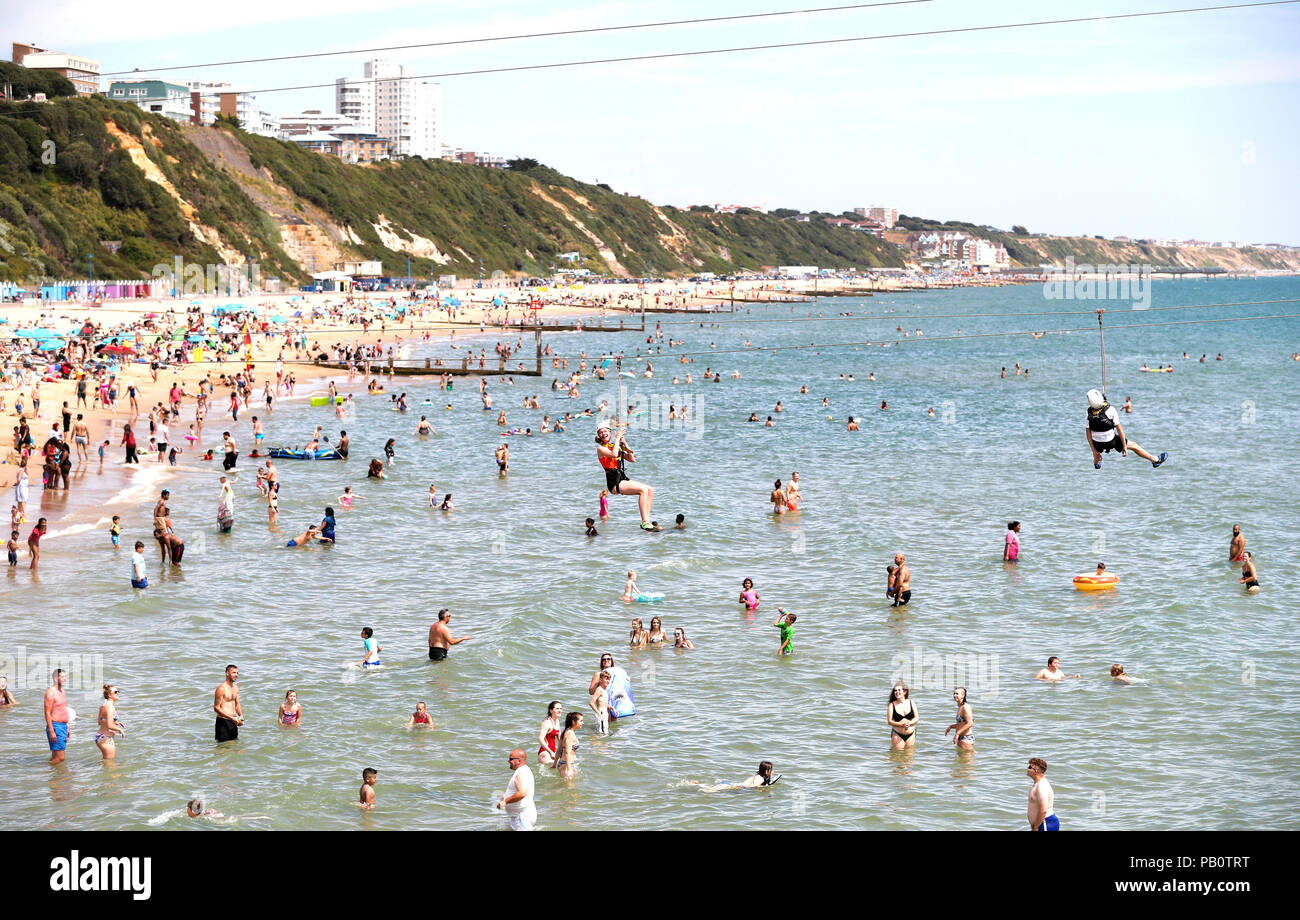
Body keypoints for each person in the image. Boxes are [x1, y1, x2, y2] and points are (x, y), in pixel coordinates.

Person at [1085, 389, 1167, 469]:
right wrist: (1124, 446)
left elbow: (1088, 433)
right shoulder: (1111, 409)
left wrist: (1093, 449)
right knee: (1134, 445)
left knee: (1096, 453)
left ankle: (1097, 463)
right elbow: (1119, 429)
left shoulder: (1088, 412)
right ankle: (1155, 460)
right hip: (1111, 441)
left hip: (1096, 442)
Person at [595, 425, 656, 531]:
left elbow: (632, 459)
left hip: (622, 479)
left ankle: (647, 520)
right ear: (599, 436)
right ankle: (644, 522)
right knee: (642, 490)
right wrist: (618, 438)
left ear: (610, 433)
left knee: (650, 490)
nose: (603, 433)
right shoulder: (601, 449)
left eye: (606, 431)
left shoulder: (615, 446)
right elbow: (613, 455)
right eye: (601, 432)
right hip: (614, 483)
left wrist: (624, 442)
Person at [498, 749, 537, 830]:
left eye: (511, 759)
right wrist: (505, 796)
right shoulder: (524, 770)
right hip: (521, 815)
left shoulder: (521, 774)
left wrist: (505, 801)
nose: (508, 761)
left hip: (521, 817)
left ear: (519, 761)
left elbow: (522, 793)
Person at [691, 761, 779, 792]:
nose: (773, 771)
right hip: (735, 787)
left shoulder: (757, 776)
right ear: (767, 771)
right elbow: (753, 786)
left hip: (731, 784)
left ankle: (695, 784)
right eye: (772, 770)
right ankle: (696, 786)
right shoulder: (760, 779)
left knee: (711, 788)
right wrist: (763, 788)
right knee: (708, 791)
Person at [44, 668, 70, 765]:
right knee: (60, 758)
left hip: (63, 726)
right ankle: (43, 770)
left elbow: (63, 709)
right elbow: (47, 712)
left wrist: (67, 726)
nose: (65, 679)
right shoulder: (50, 692)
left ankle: (55, 777)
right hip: (55, 726)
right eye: (62, 677)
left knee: (56, 756)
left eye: (65, 677)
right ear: (55, 679)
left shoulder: (62, 691)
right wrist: (51, 731)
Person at [95, 684, 125, 760]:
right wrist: (119, 730)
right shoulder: (110, 707)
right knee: (110, 764)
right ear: (109, 695)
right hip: (105, 738)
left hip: (101, 736)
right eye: (115, 692)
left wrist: (115, 722)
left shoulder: (103, 705)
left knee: (107, 763)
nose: (118, 693)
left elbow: (100, 721)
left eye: (118, 691)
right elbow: (109, 725)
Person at [214, 664, 243, 742]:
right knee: (223, 748)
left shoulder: (236, 687)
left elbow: (237, 703)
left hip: (234, 721)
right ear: (227, 673)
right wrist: (231, 718)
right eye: (234, 672)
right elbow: (216, 708)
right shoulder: (221, 688)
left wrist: (241, 717)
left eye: (237, 673)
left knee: (234, 745)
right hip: (223, 722)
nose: (236, 675)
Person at [1027, 758, 1058, 831]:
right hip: (1041, 823)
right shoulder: (1038, 784)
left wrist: (1036, 826)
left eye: (1029, 767)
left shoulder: (1041, 786)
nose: (1027, 769)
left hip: (1045, 823)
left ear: (1036, 771)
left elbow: (1043, 809)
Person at [553, 711, 583, 779]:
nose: (582, 723)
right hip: (566, 765)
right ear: (573, 722)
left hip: (565, 763)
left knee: (567, 786)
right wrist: (569, 769)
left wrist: (555, 764)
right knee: (569, 786)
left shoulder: (566, 732)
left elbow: (558, 750)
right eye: (581, 721)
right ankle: (547, 789)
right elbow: (567, 752)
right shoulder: (569, 734)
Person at [887, 682, 918, 749]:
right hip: (897, 734)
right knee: (898, 756)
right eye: (895, 690)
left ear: (904, 692)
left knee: (909, 758)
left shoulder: (911, 702)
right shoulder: (892, 705)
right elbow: (889, 721)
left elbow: (916, 718)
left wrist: (910, 723)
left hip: (911, 734)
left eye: (899, 690)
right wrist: (902, 724)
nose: (897, 692)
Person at [537, 701, 563, 766]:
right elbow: (540, 738)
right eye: (557, 709)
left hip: (553, 752)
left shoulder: (557, 721)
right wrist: (550, 752)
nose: (560, 710)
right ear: (551, 710)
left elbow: (560, 738)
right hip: (545, 753)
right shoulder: (547, 722)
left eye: (561, 708)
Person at [590, 670, 611, 734]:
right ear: (600, 680)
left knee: (604, 732)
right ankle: (599, 743)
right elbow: (591, 702)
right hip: (601, 713)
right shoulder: (599, 690)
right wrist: (598, 713)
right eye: (606, 679)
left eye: (609, 679)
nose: (608, 681)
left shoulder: (605, 690)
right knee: (602, 733)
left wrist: (612, 708)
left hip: (604, 713)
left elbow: (604, 704)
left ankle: (601, 744)